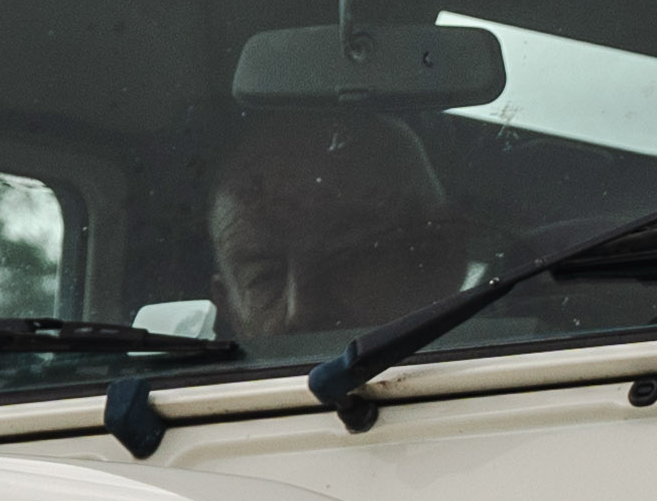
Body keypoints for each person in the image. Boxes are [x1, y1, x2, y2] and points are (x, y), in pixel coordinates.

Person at [206, 106, 482, 363]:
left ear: (442, 260)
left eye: (342, 259)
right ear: (228, 308)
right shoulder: (181, 406)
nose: (302, 311)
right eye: (265, 277)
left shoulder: (519, 374)